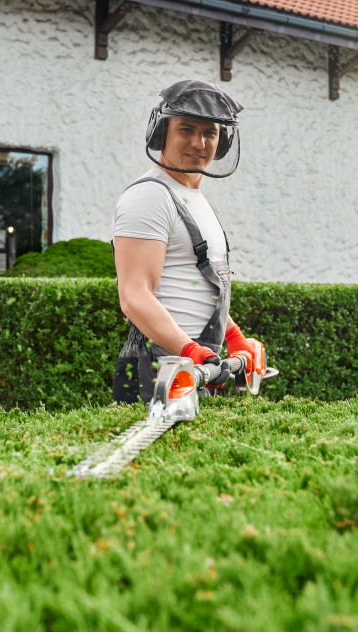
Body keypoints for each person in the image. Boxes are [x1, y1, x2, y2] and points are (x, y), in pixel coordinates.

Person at [111, 79, 264, 404]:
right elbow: (133, 296)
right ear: (161, 132)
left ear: (222, 141)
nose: (199, 142)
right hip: (157, 370)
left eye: (210, 133)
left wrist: (234, 338)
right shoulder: (150, 196)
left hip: (194, 368)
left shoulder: (193, 198)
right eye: (187, 129)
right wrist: (191, 350)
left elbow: (200, 284)